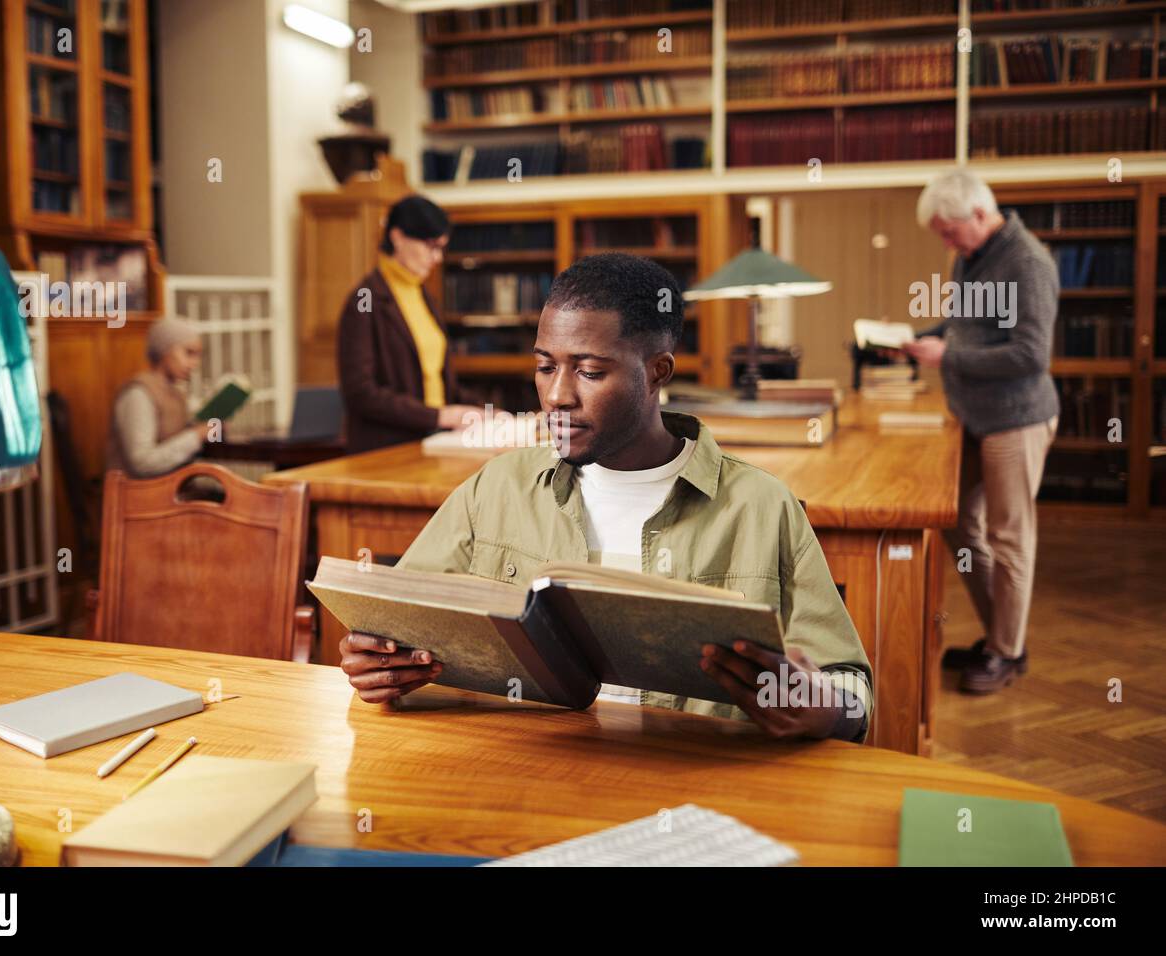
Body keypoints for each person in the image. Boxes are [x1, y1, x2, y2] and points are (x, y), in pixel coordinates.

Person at [337, 253, 873, 742]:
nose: (557, 396)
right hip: (522, 780)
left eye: (590, 372)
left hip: (696, 791)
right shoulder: (493, 489)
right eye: (545, 366)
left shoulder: (761, 507)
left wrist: (824, 708)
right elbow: (393, 630)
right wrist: (378, 662)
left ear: (657, 372)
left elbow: (852, 693)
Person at [905, 168, 1059, 694]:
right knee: (956, 522)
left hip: (1016, 417)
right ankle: (1000, 634)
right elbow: (962, 326)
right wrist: (912, 339)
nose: (946, 243)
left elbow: (1031, 355)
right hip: (973, 416)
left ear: (978, 213)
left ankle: (1007, 652)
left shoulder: (1027, 262)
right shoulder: (970, 257)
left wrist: (948, 354)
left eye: (949, 231)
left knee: (1009, 536)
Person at [337, 195, 491, 453]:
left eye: (442, 248)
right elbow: (361, 394)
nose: (438, 258)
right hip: (387, 449)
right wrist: (439, 416)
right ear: (397, 237)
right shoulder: (364, 300)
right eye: (431, 246)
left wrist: (483, 411)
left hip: (434, 440)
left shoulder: (423, 296)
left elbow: (439, 385)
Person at [104, 317, 210, 478]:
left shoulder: (176, 392)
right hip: (139, 497)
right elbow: (142, 463)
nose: (194, 363)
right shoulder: (138, 394)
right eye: (188, 353)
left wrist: (211, 428)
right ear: (164, 350)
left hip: (170, 492)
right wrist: (196, 436)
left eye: (197, 355)